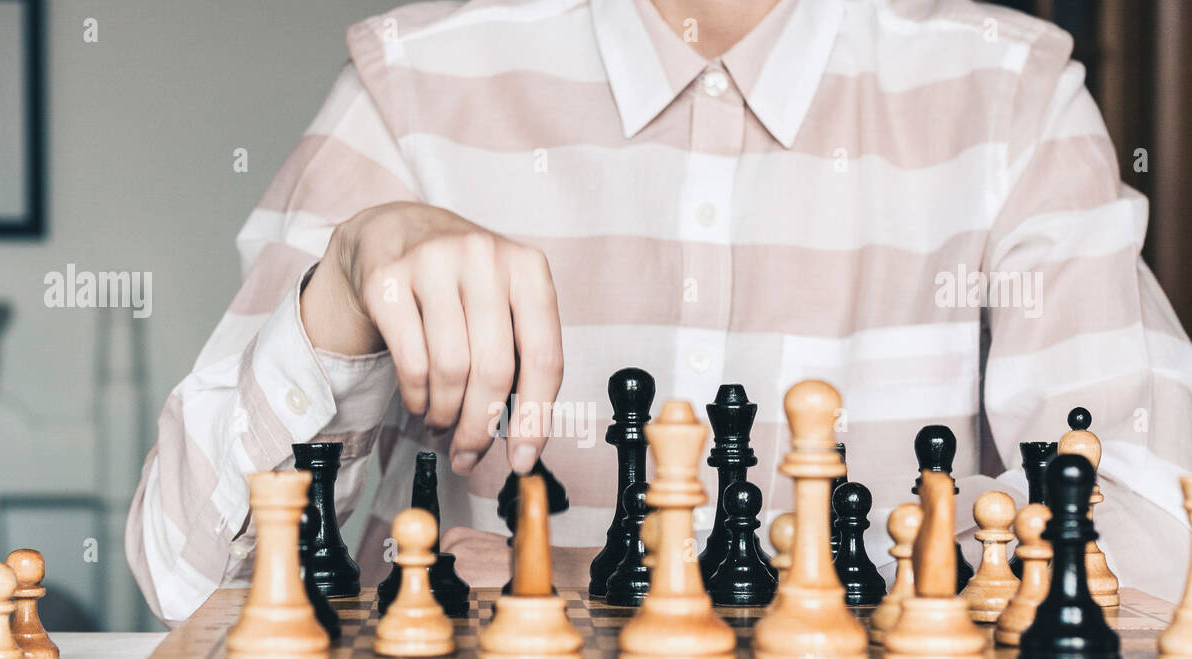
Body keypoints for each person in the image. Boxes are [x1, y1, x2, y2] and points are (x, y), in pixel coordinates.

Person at [127, 0, 1192, 624]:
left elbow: (1154, 533)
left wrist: (873, 562)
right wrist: (345, 293)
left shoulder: (1009, 96)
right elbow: (186, 578)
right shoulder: (413, 82)